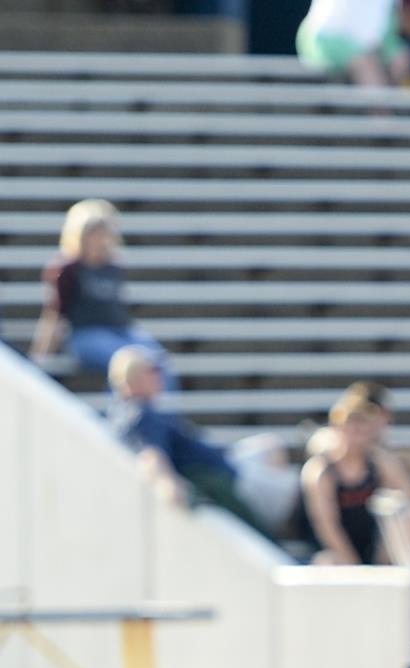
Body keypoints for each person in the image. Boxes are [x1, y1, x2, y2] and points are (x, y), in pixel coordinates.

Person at [106, 347, 297, 536]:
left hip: (229, 465)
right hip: (227, 479)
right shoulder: (139, 413)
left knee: (271, 446)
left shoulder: (137, 411)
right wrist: (168, 484)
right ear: (131, 378)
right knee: (295, 489)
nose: (159, 376)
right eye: (151, 371)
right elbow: (150, 455)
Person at [32, 201, 171, 389]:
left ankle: (159, 416)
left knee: (157, 360)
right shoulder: (67, 269)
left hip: (119, 331)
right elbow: (54, 315)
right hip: (85, 334)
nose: (101, 239)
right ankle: (124, 414)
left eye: (105, 233)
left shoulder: (114, 267)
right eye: (94, 233)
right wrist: (38, 358)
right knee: (123, 361)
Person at [298, 391, 410, 567]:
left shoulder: (378, 461)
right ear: (338, 427)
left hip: (372, 547)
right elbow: (325, 526)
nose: (356, 432)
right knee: (328, 562)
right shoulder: (322, 469)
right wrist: (354, 566)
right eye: (351, 424)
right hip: (335, 551)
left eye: (363, 426)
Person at [297, 0, 410, 86]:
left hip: (367, 51)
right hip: (322, 41)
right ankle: (381, 114)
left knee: (402, 59)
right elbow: (328, 34)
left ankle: (384, 106)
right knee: (366, 65)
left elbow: (387, 34)